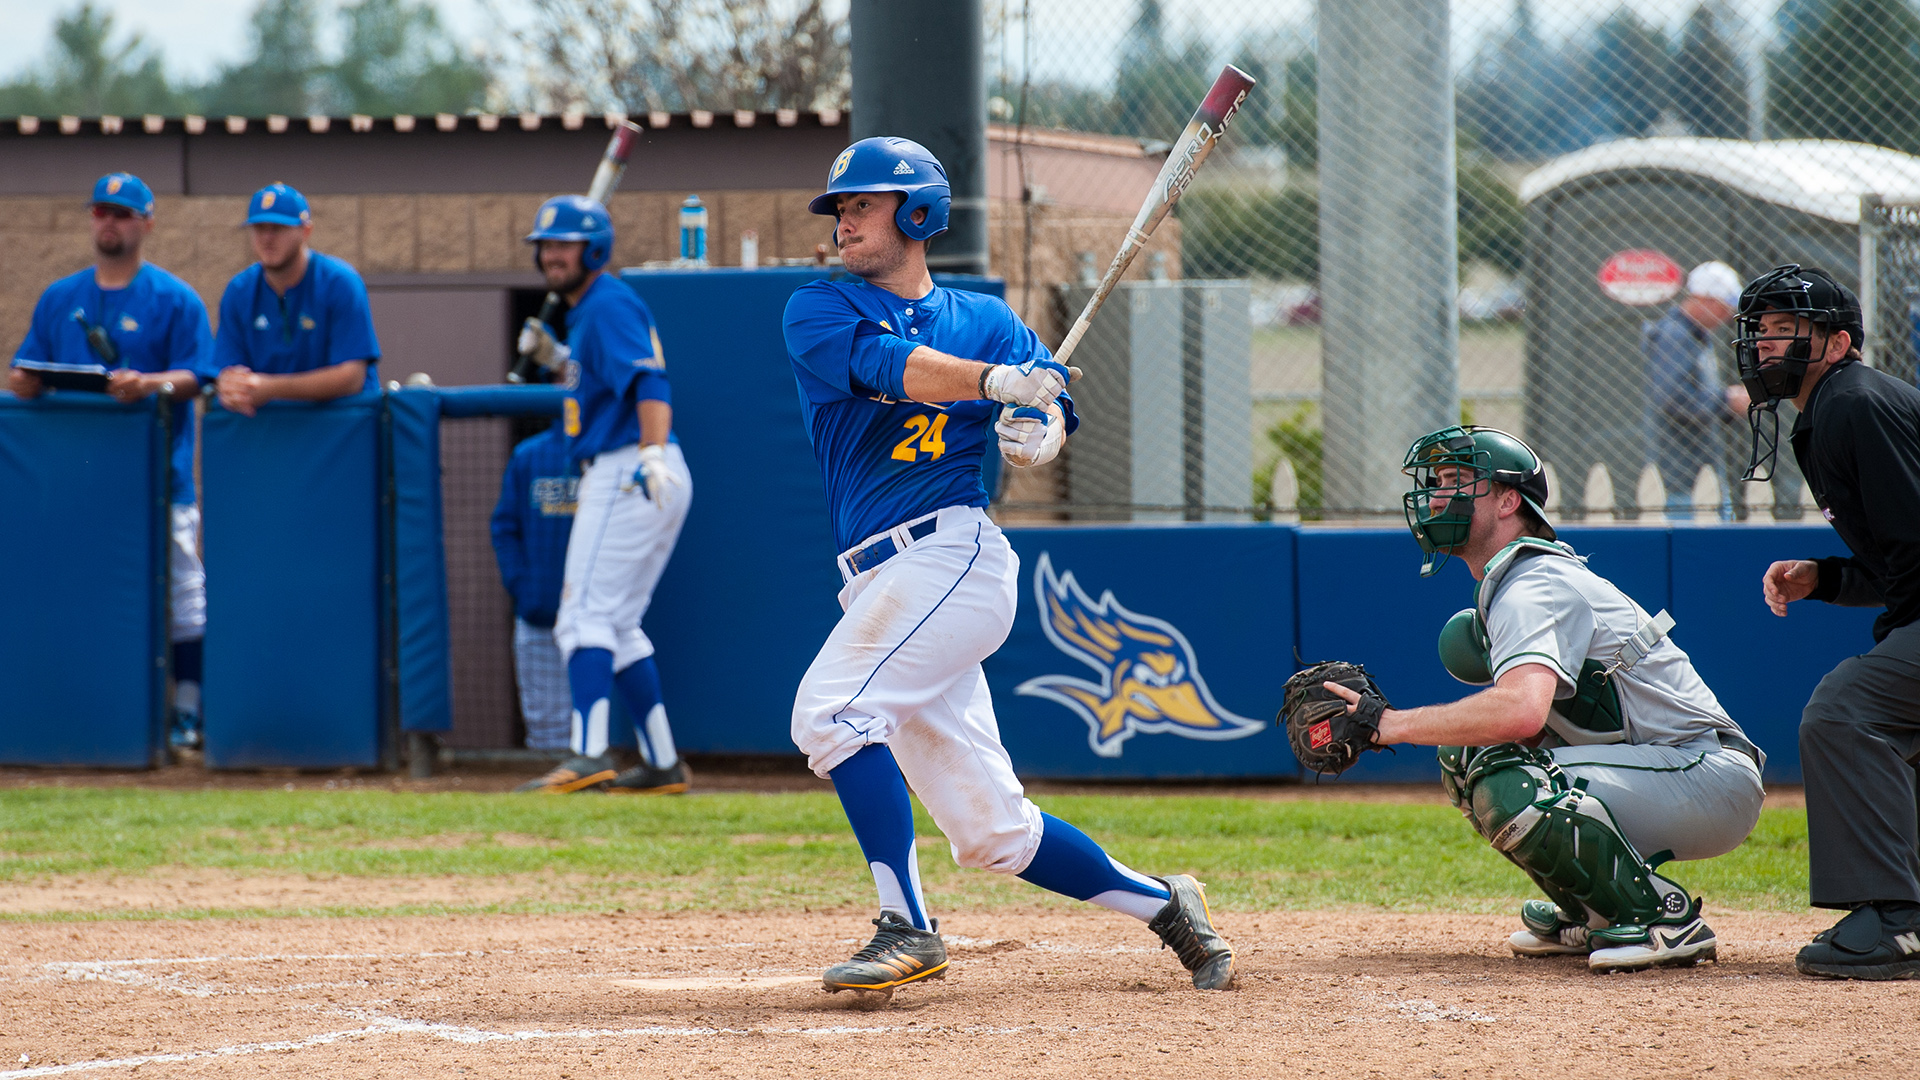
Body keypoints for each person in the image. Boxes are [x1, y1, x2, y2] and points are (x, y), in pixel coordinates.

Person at [780, 136, 1235, 999]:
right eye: (841, 206)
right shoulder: (819, 307)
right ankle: (1167, 907)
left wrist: (1041, 431)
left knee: (834, 711)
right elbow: (893, 371)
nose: (845, 220)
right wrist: (998, 386)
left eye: (864, 204)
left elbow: (1055, 406)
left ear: (918, 214)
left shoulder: (987, 317)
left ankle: (906, 926)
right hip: (878, 580)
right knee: (993, 834)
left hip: (951, 556)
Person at [1323, 425, 1763, 973]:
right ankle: (1597, 909)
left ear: (1509, 501)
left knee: (1509, 777)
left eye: (1457, 481)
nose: (1437, 496)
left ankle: (1660, 918)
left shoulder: (1534, 583)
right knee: (1466, 759)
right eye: (1435, 482)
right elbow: (1533, 726)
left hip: (1705, 773)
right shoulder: (1518, 581)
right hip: (1664, 768)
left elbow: (1520, 711)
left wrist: (1387, 724)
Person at [1741, 264, 1920, 980]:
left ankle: (1893, 917)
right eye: (1763, 332)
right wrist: (1829, 577)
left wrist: (1897, 625)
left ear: (1838, 342)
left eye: (1789, 332)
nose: (1767, 346)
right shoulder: (1836, 406)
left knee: (1846, 712)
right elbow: (1895, 554)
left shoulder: (1853, 403)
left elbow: (1914, 541)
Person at [8, 172, 218, 750]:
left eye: (122, 214)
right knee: (73, 591)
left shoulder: (175, 298)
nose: (109, 222)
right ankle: (76, 709)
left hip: (158, 478)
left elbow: (199, 375)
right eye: (101, 212)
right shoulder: (61, 297)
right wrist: (25, 382)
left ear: (146, 223)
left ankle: (187, 710)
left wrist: (150, 383)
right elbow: (26, 370)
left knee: (183, 591)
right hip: (74, 481)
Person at [511, 195, 694, 796]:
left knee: (583, 616)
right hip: (634, 465)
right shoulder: (586, 312)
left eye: (563, 244)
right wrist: (556, 356)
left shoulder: (608, 302)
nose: (551, 256)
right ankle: (664, 763)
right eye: (546, 246)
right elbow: (599, 378)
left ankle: (587, 754)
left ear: (592, 248)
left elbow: (650, 381)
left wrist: (649, 451)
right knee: (618, 623)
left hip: (630, 465)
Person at [213, 183, 379, 414]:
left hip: (341, 433)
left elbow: (351, 377)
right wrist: (231, 387)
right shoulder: (239, 290)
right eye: (260, 228)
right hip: (269, 435)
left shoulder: (339, 282)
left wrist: (271, 388)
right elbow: (227, 371)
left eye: (278, 228)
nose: (267, 238)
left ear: (305, 231)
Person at [490, 423, 581, 752]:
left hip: (597, 616)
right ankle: (552, 800)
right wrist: (523, 587)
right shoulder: (529, 454)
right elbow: (504, 527)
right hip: (539, 613)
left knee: (598, 724)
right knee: (546, 728)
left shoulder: (612, 454)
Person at [1641, 260, 1748, 520]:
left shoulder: (1694, 335)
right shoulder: (1676, 336)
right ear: (1703, 299)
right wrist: (1727, 400)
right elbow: (1673, 398)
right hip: (1681, 468)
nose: (1726, 316)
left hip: (1694, 464)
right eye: (1724, 307)